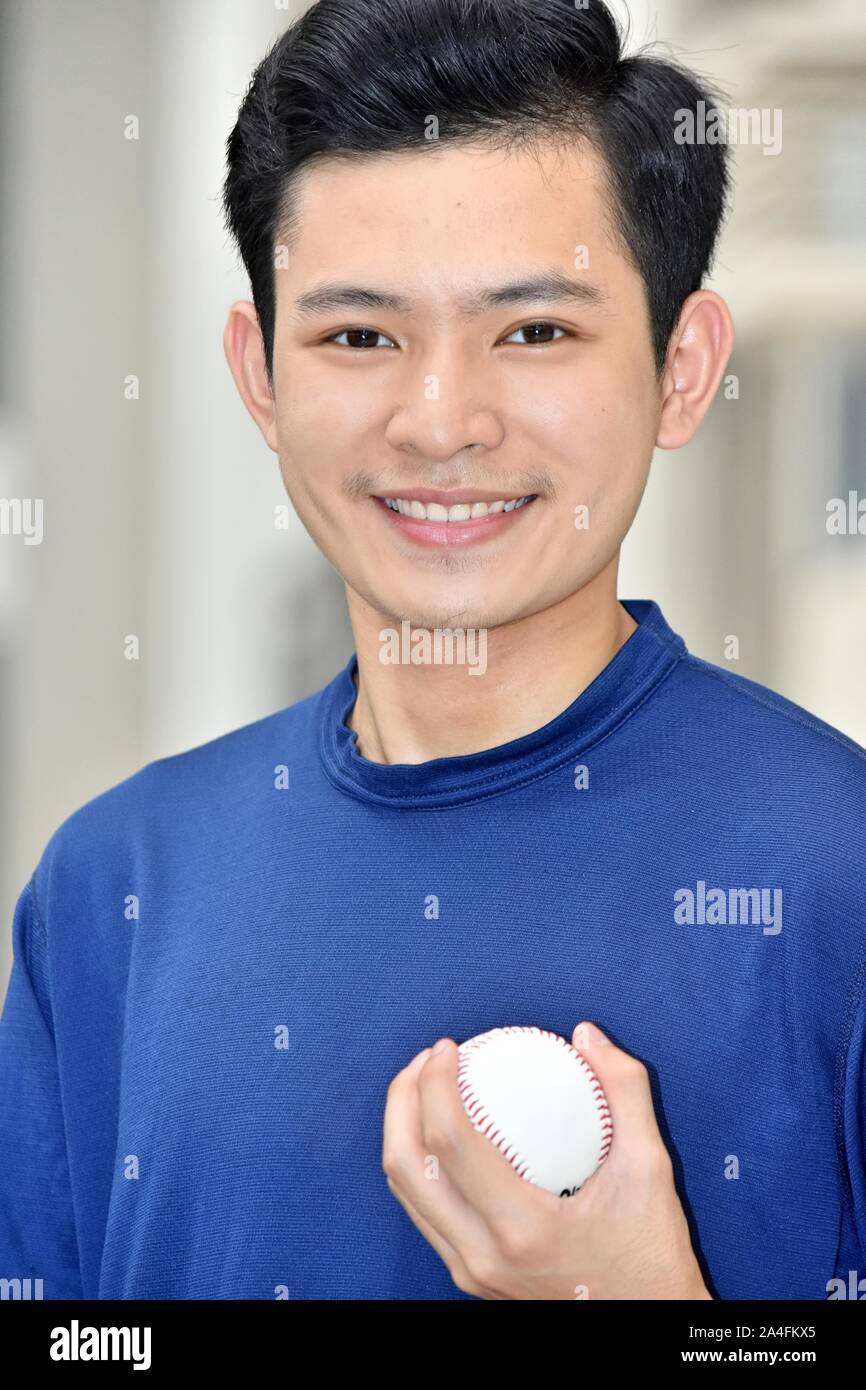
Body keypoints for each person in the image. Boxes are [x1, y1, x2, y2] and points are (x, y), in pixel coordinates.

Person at [1, 0, 864, 1301]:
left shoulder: (833, 867)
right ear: (261, 378)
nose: (437, 418)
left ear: (681, 367)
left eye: (532, 331)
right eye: (357, 335)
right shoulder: (112, 888)